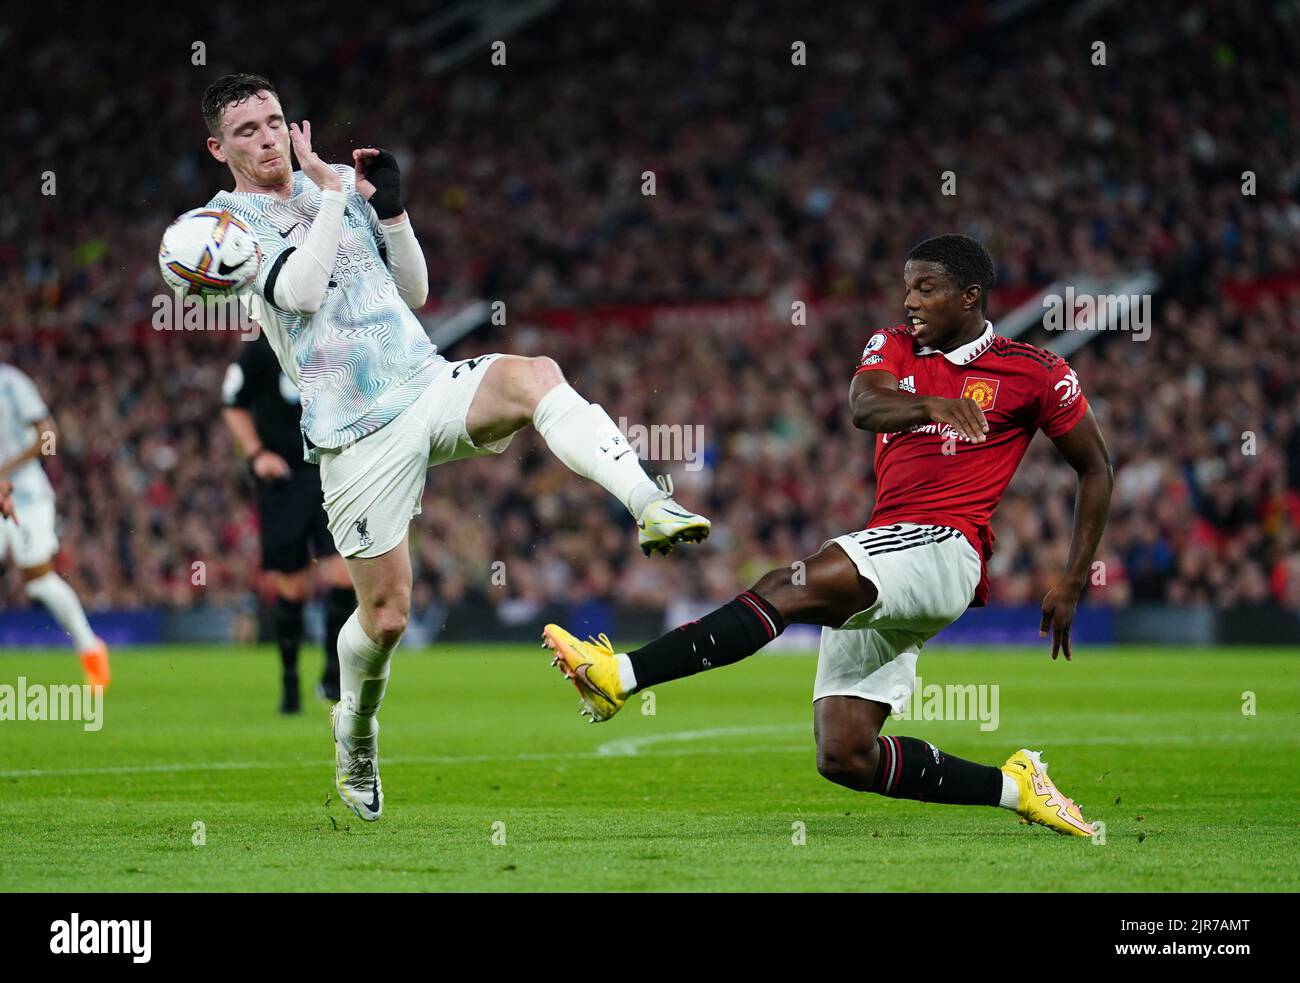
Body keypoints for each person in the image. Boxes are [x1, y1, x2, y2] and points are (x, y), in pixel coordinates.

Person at [197, 73, 709, 821]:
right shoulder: (230, 223)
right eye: (247, 131)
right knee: (387, 616)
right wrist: (334, 193)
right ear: (219, 147)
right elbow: (302, 292)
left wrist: (395, 213)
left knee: (536, 375)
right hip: (352, 431)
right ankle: (356, 734)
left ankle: (649, 502)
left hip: (424, 380)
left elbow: (413, 290)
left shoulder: (328, 184)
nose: (268, 137)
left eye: (274, 120)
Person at [543, 234, 1114, 837]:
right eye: (907, 285)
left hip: (948, 547)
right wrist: (932, 406)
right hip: (892, 549)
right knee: (844, 754)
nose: (910, 300)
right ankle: (1017, 786)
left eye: (926, 288)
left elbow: (1096, 467)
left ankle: (620, 678)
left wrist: (1073, 579)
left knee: (787, 586)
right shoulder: (894, 345)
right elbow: (863, 404)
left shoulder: (1034, 372)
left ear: (970, 296)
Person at [222, 332, 356, 713]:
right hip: (281, 481)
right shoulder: (261, 348)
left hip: (330, 472)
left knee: (342, 575)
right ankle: (290, 680)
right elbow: (232, 403)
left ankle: (332, 675)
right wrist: (256, 454)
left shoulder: (335, 339)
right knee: (292, 586)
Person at [0, 363, 110, 688]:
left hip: (26, 494)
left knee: (37, 581)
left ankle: (90, 648)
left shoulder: (11, 382)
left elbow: (49, 436)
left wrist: (6, 469)